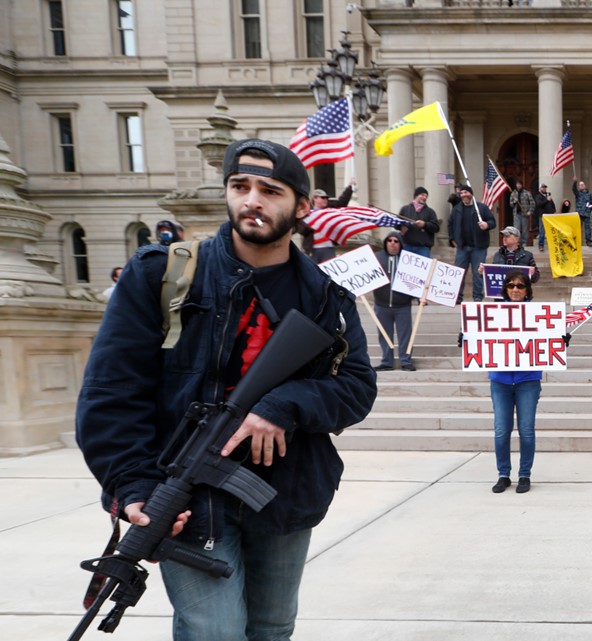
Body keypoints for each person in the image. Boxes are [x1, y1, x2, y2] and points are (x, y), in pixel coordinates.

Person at [76, 138, 377, 640]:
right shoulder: (164, 274)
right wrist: (132, 486)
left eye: (270, 190)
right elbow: (110, 392)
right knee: (211, 632)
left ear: (302, 206)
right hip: (188, 498)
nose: (252, 201)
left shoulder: (325, 295)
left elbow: (356, 386)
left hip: (286, 491)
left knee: (272, 628)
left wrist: (284, 405)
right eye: (240, 186)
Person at [488, 269, 542, 494]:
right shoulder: (492, 313)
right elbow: (482, 337)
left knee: (526, 430)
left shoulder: (538, 313)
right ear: (505, 290)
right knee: (502, 430)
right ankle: (503, 474)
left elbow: (547, 340)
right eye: (511, 286)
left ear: (527, 290)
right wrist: (467, 337)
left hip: (528, 379)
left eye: (520, 286)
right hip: (500, 379)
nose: (516, 290)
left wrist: (560, 339)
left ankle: (524, 475)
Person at [373, 231, 416, 372]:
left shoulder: (409, 260)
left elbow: (417, 280)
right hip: (381, 304)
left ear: (400, 244)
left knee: (405, 335)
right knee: (384, 334)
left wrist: (420, 296)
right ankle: (387, 361)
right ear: (385, 243)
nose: (392, 243)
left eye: (396, 241)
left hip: (402, 305)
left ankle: (405, 360)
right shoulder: (376, 258)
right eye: (389, 240)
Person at [448, 183, 496, 302]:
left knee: (478, 273)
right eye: (462, 193)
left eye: (466, 192)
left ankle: (477, 296)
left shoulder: (481, 208)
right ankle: (457, 297)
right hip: (462, 247)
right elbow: (450, 224)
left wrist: (487, 225)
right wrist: (452, 239)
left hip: (478, 246)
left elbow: (492, 221)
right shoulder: (457, 209)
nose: (463, 195)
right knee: (459, 273)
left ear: (471, 194)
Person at [397, 186, 440, 258]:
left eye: (426, 196)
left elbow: (436, 227)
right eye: (422, 195)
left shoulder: (430, 211)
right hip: (407, 246)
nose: (424, 197)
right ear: (416, 195)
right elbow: (397, 223)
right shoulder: (405, 209)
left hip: (423, 248)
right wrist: (401, 227)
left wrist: (425, 225)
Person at [508, 179, 535, 249]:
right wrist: (514, 202)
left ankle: (524, 242)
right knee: (516, 229)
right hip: (516, 214)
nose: (518, 185)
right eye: (517, 184)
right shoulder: (513, 193)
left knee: (525, 229)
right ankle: (517, 242)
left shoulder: (527, 193)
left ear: (521, 185)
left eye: (519, 184)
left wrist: (530, 212)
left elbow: (532, 203)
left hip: (524, 214)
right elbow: (510, 204)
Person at [571, 177, 592, 246]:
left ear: (585, 186)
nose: (581, 186)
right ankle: (576, 241)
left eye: (582, 184)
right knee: (577, 228)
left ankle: (588, 241)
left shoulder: (589, 194)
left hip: (587, 213)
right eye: (580, 185)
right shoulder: (578, 193)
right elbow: (574, 189)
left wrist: (590, 206)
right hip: (579, 213)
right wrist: (575, 182)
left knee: (588, 228)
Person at [534, 183, 556, 251]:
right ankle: (541, 245)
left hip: (550, 215)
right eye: (543, 187)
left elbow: (552, 204)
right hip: (543, 216)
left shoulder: (548, 196)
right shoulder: (538, 196)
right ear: (540, 189)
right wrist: (547, 200)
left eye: (545, 187)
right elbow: (539, 204)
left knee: (551, 231)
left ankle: (552, 244)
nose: (544, 189)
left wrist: (554, 210)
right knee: (542, 231)